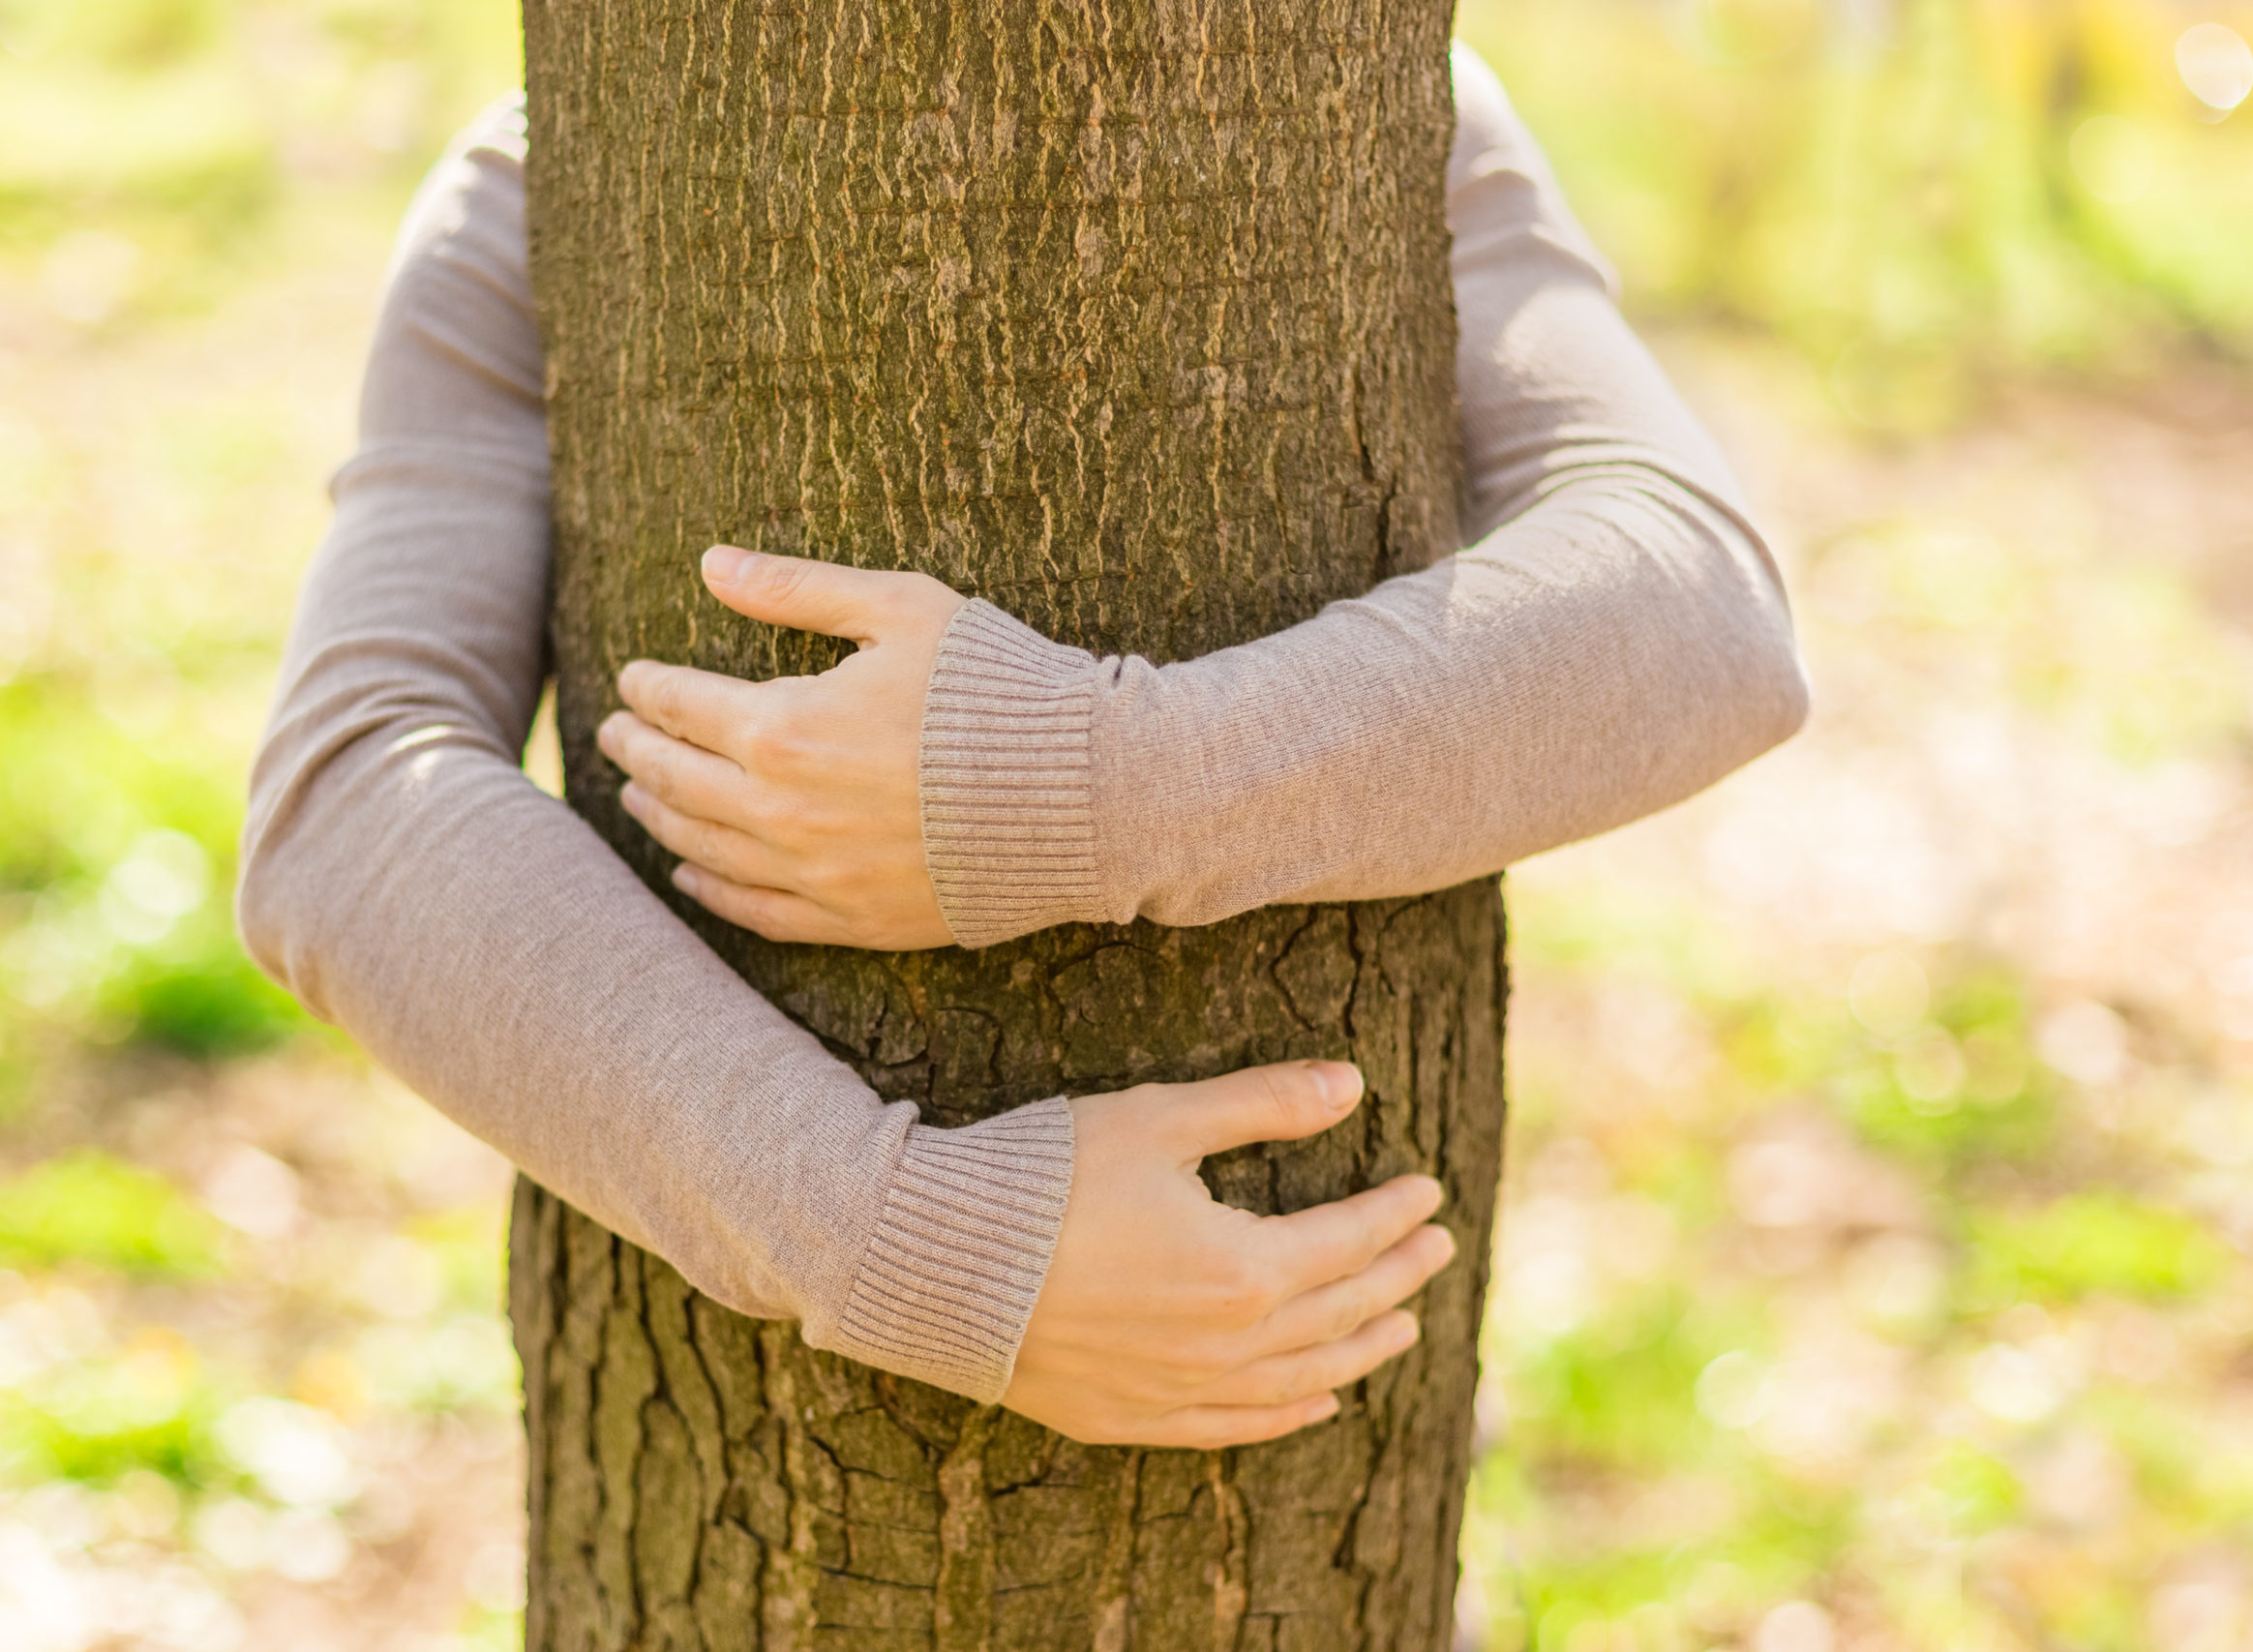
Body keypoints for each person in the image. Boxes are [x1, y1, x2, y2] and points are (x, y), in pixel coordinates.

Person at [238, 46, 1809, 1452]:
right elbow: (345, 799)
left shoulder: (1374, 94)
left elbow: (1703, 612)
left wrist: (1076, 787)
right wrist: (904, 1238)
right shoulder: (551, 165)